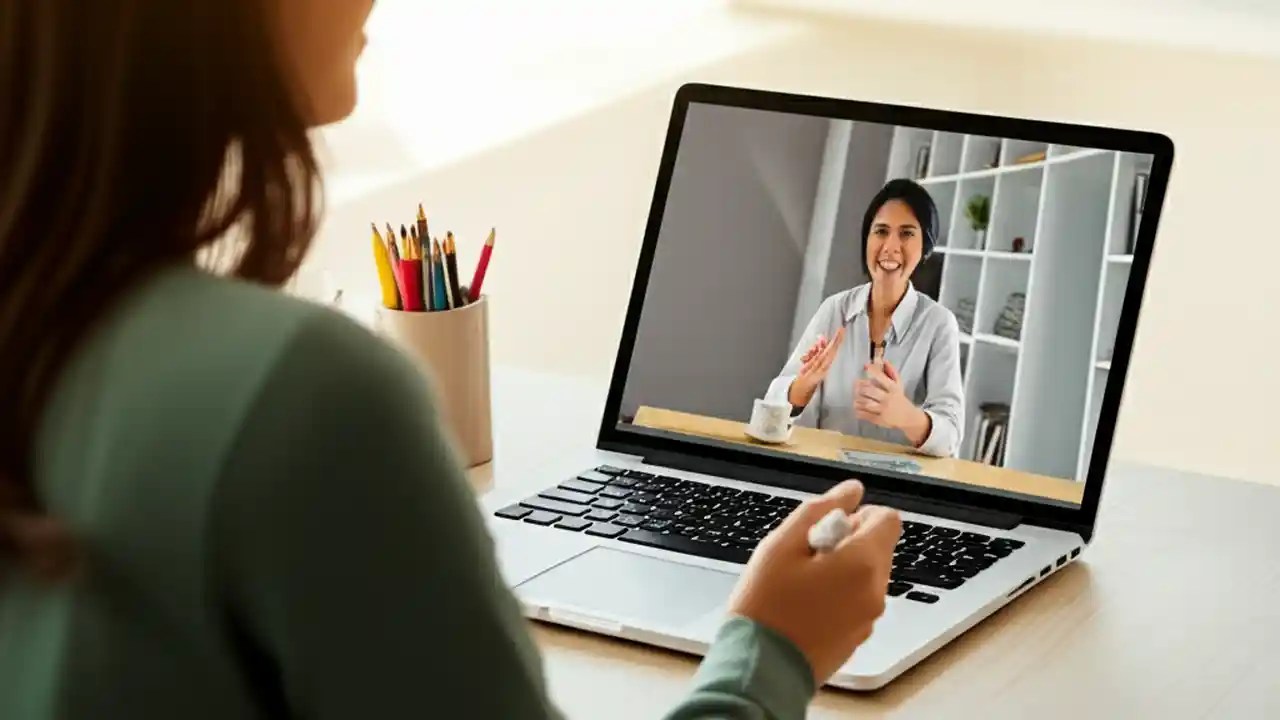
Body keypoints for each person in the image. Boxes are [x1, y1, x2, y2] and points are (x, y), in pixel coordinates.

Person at [0, 3, 902, 718]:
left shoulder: (45, 332)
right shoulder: (302, 395)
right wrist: (772, 650)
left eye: (904, 237)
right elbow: (777, 408)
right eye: (879, 232)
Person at [765, 179, 965, 458]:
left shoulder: (939, 324)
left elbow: (951, 436)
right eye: (881, 231)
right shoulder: (834, 310)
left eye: (906, 233)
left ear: (925, 247)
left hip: (895, 480)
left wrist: (905, 415)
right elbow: (771, 409)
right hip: (826, 473)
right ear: (866, 239)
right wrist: (802, 388)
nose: (891, 246)